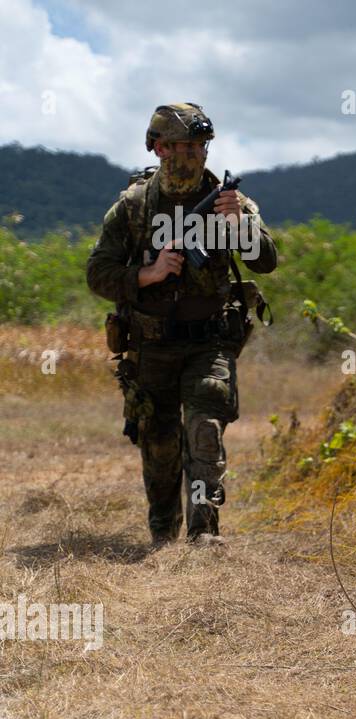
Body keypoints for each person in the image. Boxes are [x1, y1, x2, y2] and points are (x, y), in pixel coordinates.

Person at [86, 103, 278, 546]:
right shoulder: (134, 206)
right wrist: (145, 275)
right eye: (182, 145)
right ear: (158, 147)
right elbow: (98, 272)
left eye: (199, 145)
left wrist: (239, 226)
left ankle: (203, 532)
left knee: (205, 431)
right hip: (150, 344)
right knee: (159, 443)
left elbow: (266, 260)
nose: (192, 154)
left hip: (210, 340)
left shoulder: (230, 204)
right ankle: (162, 529)